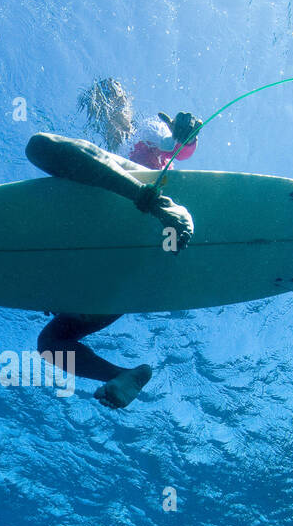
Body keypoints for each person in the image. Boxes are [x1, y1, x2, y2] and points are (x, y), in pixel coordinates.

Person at [28, 79, 201, 411]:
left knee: (40, 145)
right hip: (115, 277)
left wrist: (185, 137)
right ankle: (123, 376)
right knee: (50, 344)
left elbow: (173, 143)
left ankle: (162, 207)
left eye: (115, 95)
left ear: (128, 100)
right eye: (100, 100)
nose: (109, 104)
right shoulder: (102, 148)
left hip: (152, 216)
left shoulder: (145, 130)